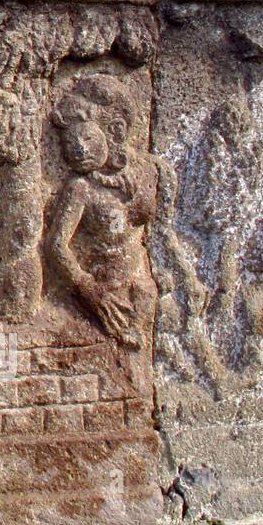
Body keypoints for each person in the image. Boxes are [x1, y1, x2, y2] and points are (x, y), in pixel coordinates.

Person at [47, 74, 157, 349]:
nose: (79, 148)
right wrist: (87, 288)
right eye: (70, 143)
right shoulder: (79, 188)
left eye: (86, 137)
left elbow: (152, 221)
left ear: (113, 133)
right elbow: (56, 244)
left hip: (139, 291)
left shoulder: (138, 176)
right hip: (103, 295)